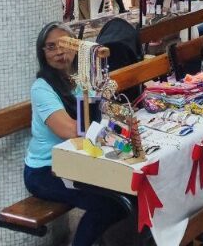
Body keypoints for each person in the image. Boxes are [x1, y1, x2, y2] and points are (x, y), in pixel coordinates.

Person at [25, 24, 132, 246]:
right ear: (42, 53)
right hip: (47, 170)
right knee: (110, 203)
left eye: (65, 45)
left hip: (81, 162)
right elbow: (72, 131)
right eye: (51, 47)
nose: (59, 52)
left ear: (76, 47)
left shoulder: (80, 79)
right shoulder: (41, 88)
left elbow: (102, 115)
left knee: (130, 190)